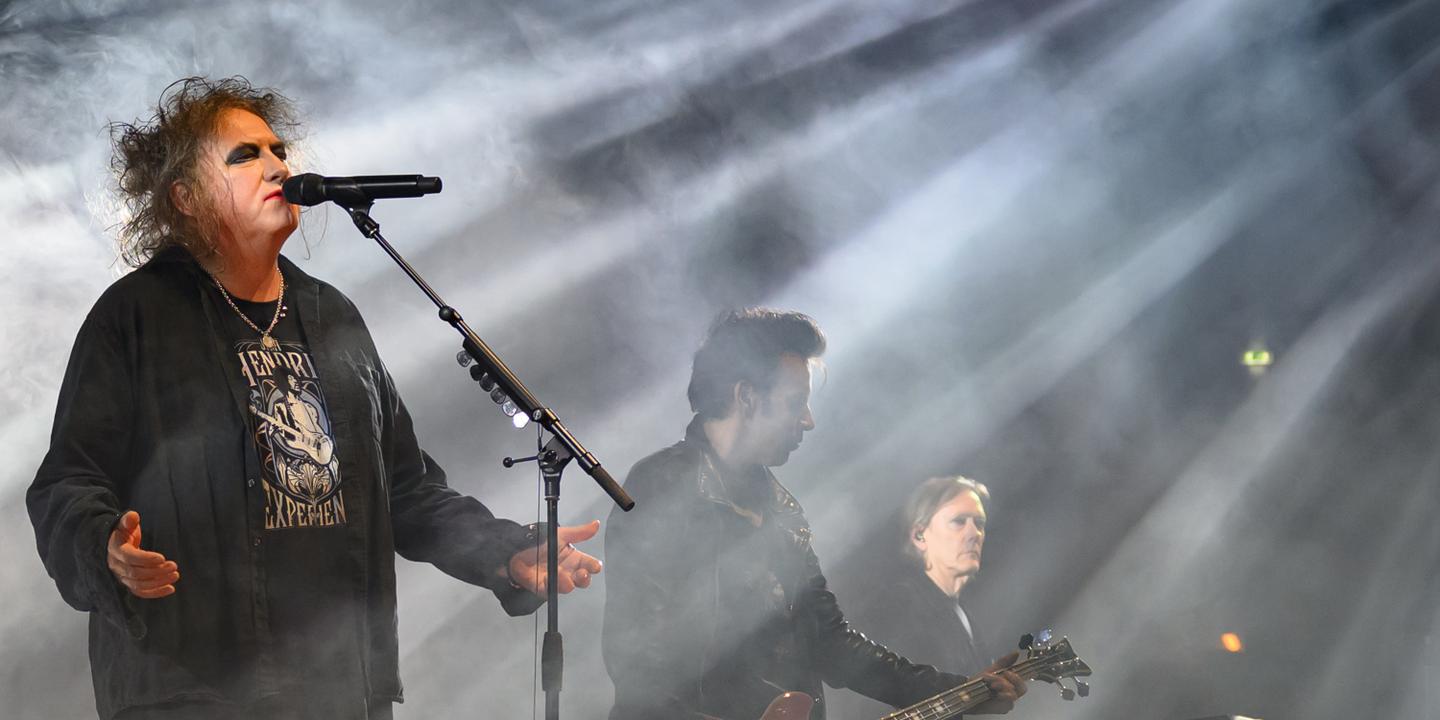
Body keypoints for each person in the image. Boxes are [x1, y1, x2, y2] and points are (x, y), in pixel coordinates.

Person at [26, 76, 603, 720]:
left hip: (338, 684)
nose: (277, 165)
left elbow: (405, 490)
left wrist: (505, 550)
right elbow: (66, 481)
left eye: (277, 150)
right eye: (245, 155)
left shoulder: (332, 317)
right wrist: (105, 549)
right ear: (184, 197)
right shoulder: (137, 316)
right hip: (192, 687)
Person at [601, 309, 1027, 720]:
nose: (808, 420)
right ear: (747, 396)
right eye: (795, 403)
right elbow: (639, 666)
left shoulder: (781, 509)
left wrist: (959, 692)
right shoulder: (663, 487)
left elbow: (831, 643)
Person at [834, 476, 995, 719]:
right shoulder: (899, 605)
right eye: (958, 522)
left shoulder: (964, 616)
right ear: (920, 536)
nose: (974, 533)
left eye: (979, 523)